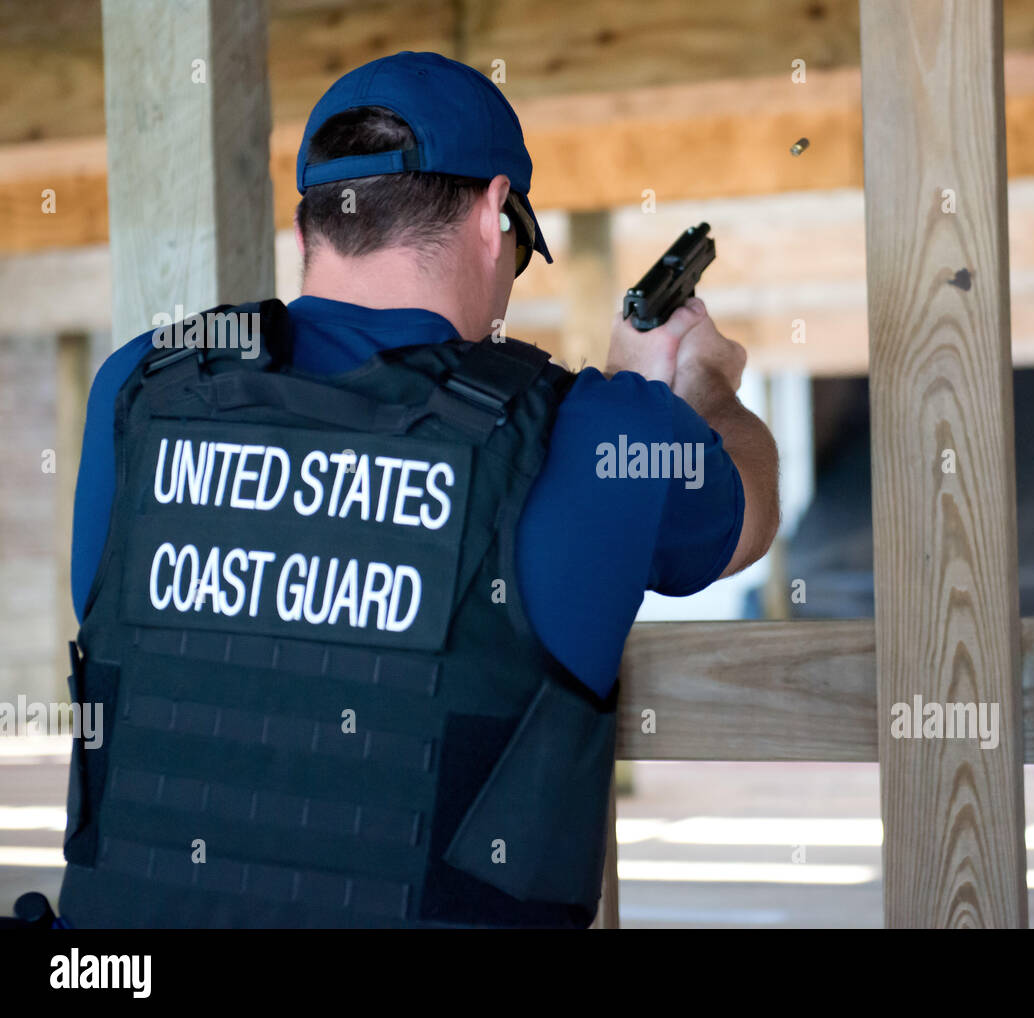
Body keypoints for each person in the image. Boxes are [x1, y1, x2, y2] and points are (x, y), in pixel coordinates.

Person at [58, 51, 779, 928]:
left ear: (308, 233)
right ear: (491, 215)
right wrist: (700, 392)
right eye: (519, 246)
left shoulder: (136, 384)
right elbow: (750, 511)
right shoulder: (596, 435)